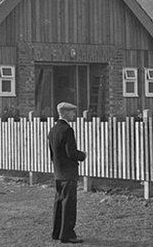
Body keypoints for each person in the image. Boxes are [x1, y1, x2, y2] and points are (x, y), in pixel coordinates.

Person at [48, 101, 86, 244]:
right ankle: (68, 234)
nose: (74, 114)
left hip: (58, 172)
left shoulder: (53, 130)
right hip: (69, 173)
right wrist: (83, 155)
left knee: (58, 203)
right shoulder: (68, 130)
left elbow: (52, 154)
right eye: (72, 112)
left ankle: (57, 232)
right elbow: (71, 153)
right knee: (69, 205)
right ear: (65, 113)